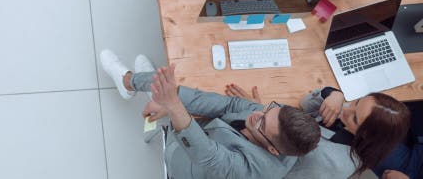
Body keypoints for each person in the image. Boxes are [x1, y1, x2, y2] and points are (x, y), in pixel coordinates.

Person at [99, 51, 321, 178]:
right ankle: (133, 83)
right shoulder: (268, 118)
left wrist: (173, 104)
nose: (256, 113)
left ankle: (149, 88)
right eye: (269, 108)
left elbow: (208, 155)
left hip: (190, 163)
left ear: (273, 149)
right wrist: (171, 99)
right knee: (177, 96)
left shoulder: (253, 171)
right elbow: (221, 103)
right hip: (204, 130)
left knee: (172, 100)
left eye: (263, 122)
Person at [225, 83, 410, 178]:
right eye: (357, 102)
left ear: (366, 134)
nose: (346, 109)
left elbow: (276, 162)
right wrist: (333, 94)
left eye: (354, 117)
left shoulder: (329, 163)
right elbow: (306, 105)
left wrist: (259, 111)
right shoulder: (348, 120)